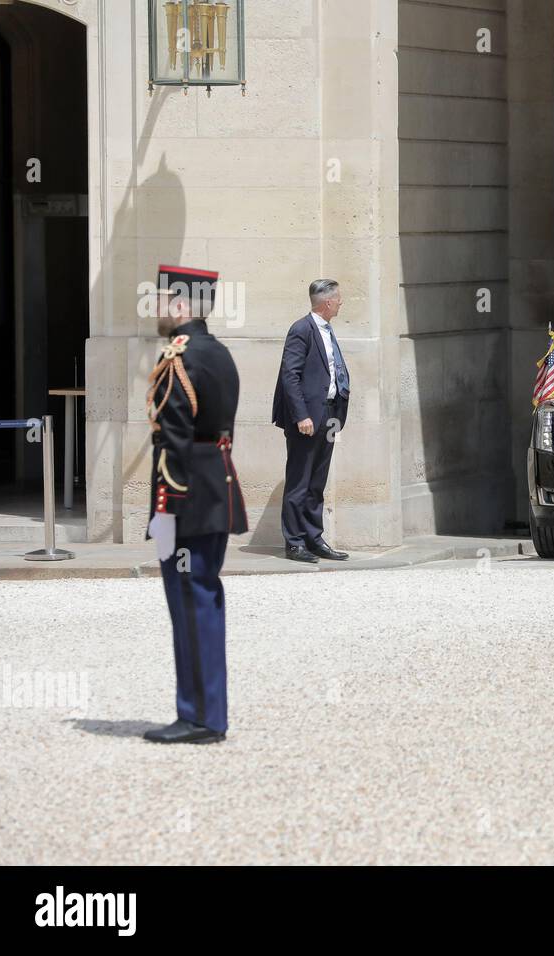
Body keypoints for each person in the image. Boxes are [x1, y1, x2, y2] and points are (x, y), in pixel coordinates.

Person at [144, 265, 248, 745]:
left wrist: (164, 509)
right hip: (216, 489)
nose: (157, 308)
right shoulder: (219, 353)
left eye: (163, 299)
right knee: (203, 600)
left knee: (191, 604)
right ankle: (207, 712)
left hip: (188, 498)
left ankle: (200, 717)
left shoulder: (179, 356)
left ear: (181, 306)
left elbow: (173, 442)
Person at [272, 279, 351, 563]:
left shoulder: (327, 330)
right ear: (327, 302)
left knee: (317, 480)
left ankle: (313, 538)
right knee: (300, 480)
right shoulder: (301, 329)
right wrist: (301, 415)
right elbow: (289, 375)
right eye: (338, 298)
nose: (341, 302)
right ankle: (294, 542)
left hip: (330, 416)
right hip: (307, 419)